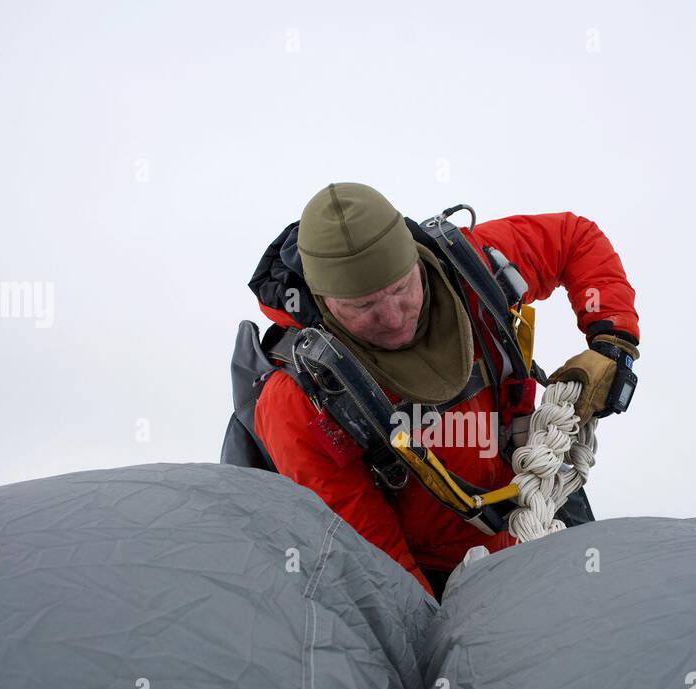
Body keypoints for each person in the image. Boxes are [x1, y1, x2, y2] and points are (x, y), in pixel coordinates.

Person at [248, 183, 639, 598]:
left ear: (417, 260)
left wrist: (612, 341)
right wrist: (439, 630)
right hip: (441, 574)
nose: (394, 318)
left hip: (543, 495)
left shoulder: (473, 268)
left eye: (402, 288)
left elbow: (572, 239)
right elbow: (377, 560)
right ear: (325, 301)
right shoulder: (299, 401)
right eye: (364, 307)